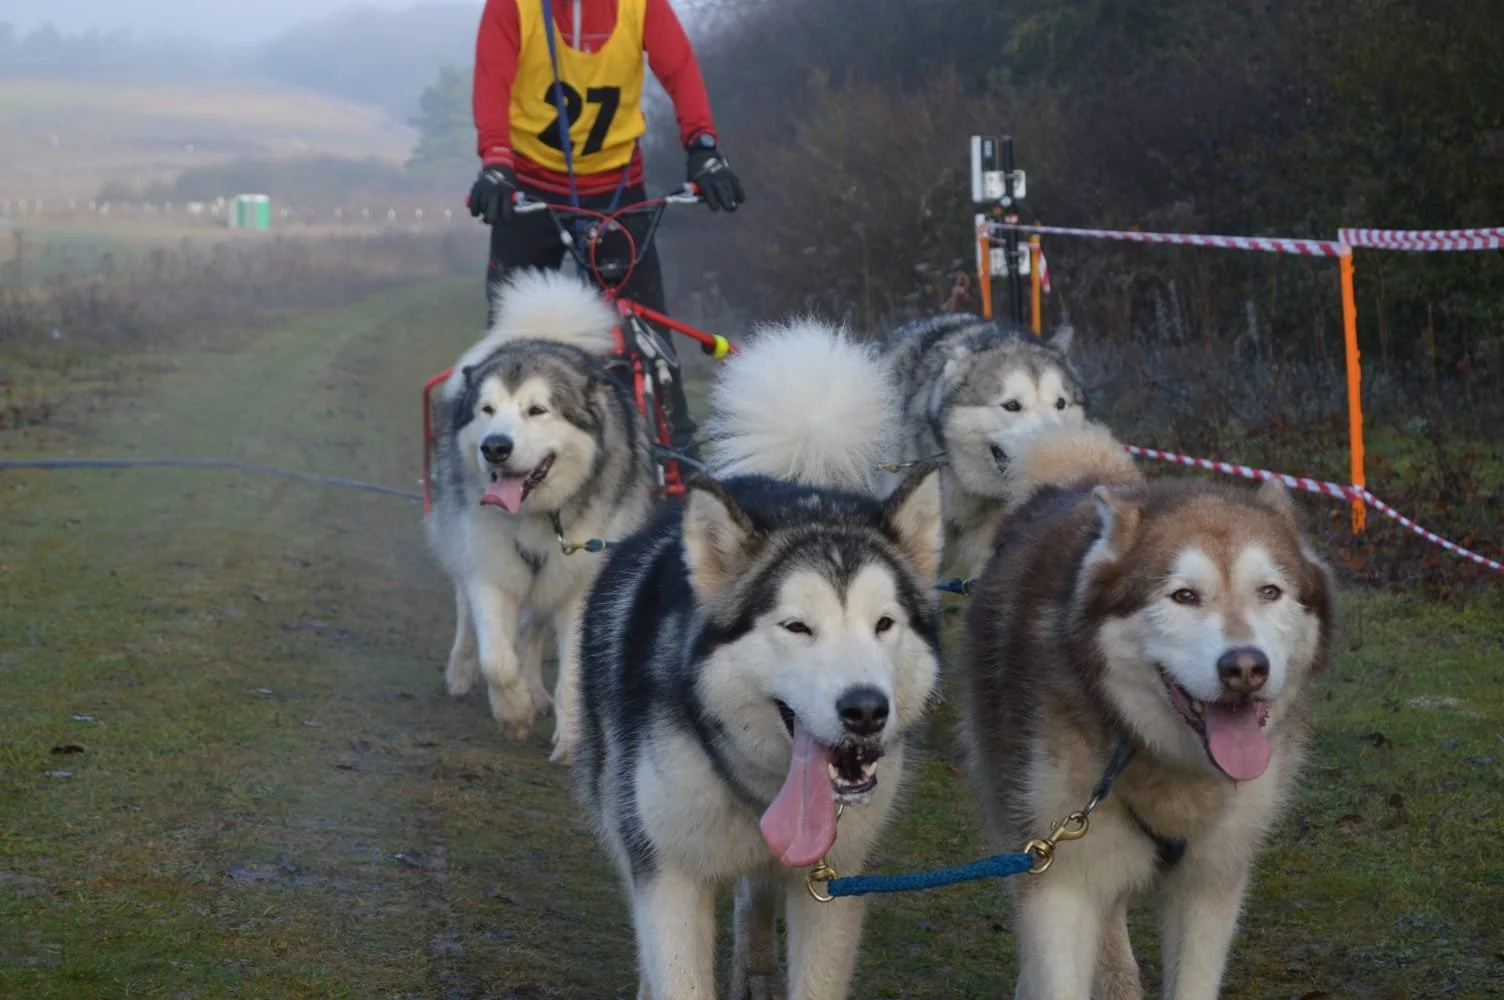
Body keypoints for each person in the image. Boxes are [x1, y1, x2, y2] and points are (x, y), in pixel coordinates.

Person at [468, 0, 745, 457]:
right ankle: (493, 463)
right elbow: (492, 81)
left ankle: (677, 464)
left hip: (616, 188)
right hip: (529, 190)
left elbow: (679, 69)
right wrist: (495, 162)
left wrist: (704, 145)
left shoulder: (642, 6)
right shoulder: (511, 8)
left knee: (648, 338)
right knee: (507, 340)